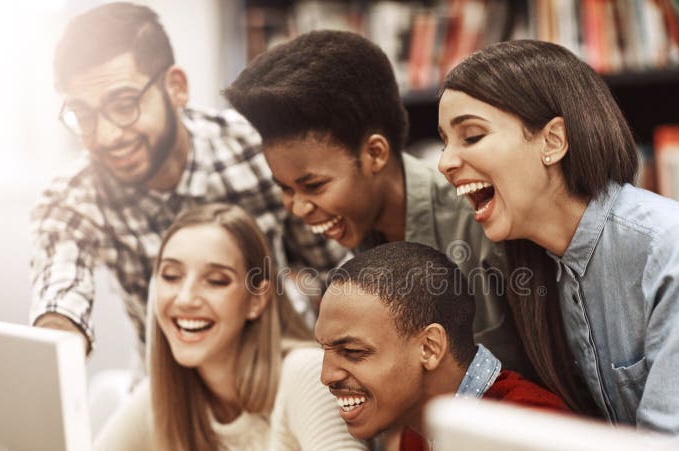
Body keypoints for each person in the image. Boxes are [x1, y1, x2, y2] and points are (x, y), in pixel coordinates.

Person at [436, 39, 679, 451]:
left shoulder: (670, 246)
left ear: (553, 141)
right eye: (444, 142)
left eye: (471, 136)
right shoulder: (540, 266)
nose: (444, 162)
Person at [30, 3, 344, 356]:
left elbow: (334, 272)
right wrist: (56, 344)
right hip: (169, 380)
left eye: (124, 105)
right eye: (83, 115)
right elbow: (60, 298)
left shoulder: (258, 150)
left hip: (281, 361)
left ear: (176, 87)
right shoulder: (73, 197)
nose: (106, 136)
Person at [223, 30, 533, 378]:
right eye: (285, 188)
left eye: (314, 186)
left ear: (375, 153)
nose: (297, 208)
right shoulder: (356, 242)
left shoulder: (483, 222)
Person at [215, 241, 567, 451]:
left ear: (429, 347)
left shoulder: (532, 434)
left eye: (353, 352)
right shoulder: (416, 436)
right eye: (325, 350)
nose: (326, 375)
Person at [93, 203, 378, 451]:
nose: (185, 298)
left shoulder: (308, 376)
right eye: (170, 276)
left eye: (215, 281)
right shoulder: (162, 396)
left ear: (257, 299)